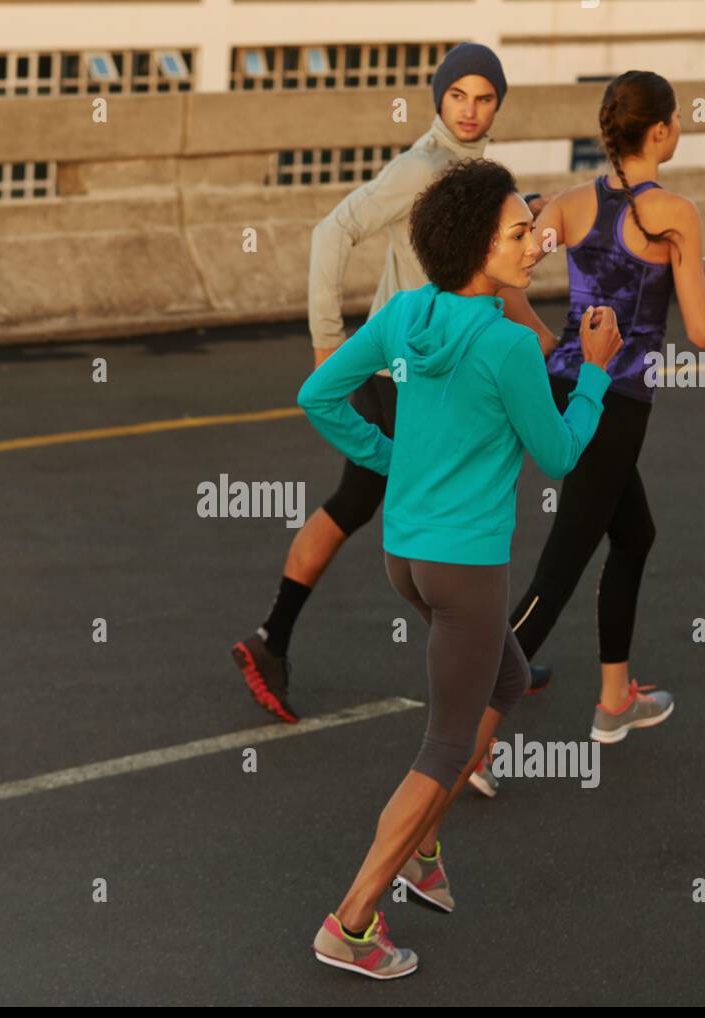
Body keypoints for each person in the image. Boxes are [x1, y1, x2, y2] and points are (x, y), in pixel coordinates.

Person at [300, 158, 622, 977]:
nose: (533, 244)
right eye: (518, 233)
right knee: (443, 748)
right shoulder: (510, 345)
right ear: (476, 245)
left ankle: (423, 845)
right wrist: (593, 373)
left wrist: (389, 452)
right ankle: (352, 920)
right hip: (467, 569)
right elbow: (559, 454)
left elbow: (320, 396)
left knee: (506, 684)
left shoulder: (404, 315)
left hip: (405, 557)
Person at [232, 44, 556, 781]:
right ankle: (463, 687)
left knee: (368, 503)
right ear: (435, 99)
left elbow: (491, 285)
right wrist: (325, 343)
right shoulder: (417, 171)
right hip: (403, 371)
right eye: (457, 95)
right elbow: (330, 231)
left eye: (484, 97)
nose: (470, 108)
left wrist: (549, 344)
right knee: (428, 508)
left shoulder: (478, 179)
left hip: (432, 368)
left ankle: (276, 637)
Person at [507, 70, 705, 743]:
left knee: (634, 535)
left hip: (565, 383)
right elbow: (700, 330)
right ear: (660, 130)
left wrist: (550, 342)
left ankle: (615, 699)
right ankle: (475, 733)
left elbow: (510, 268)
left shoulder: (574, 203)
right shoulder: (674, 213)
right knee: (560, 568)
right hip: (616, 402)